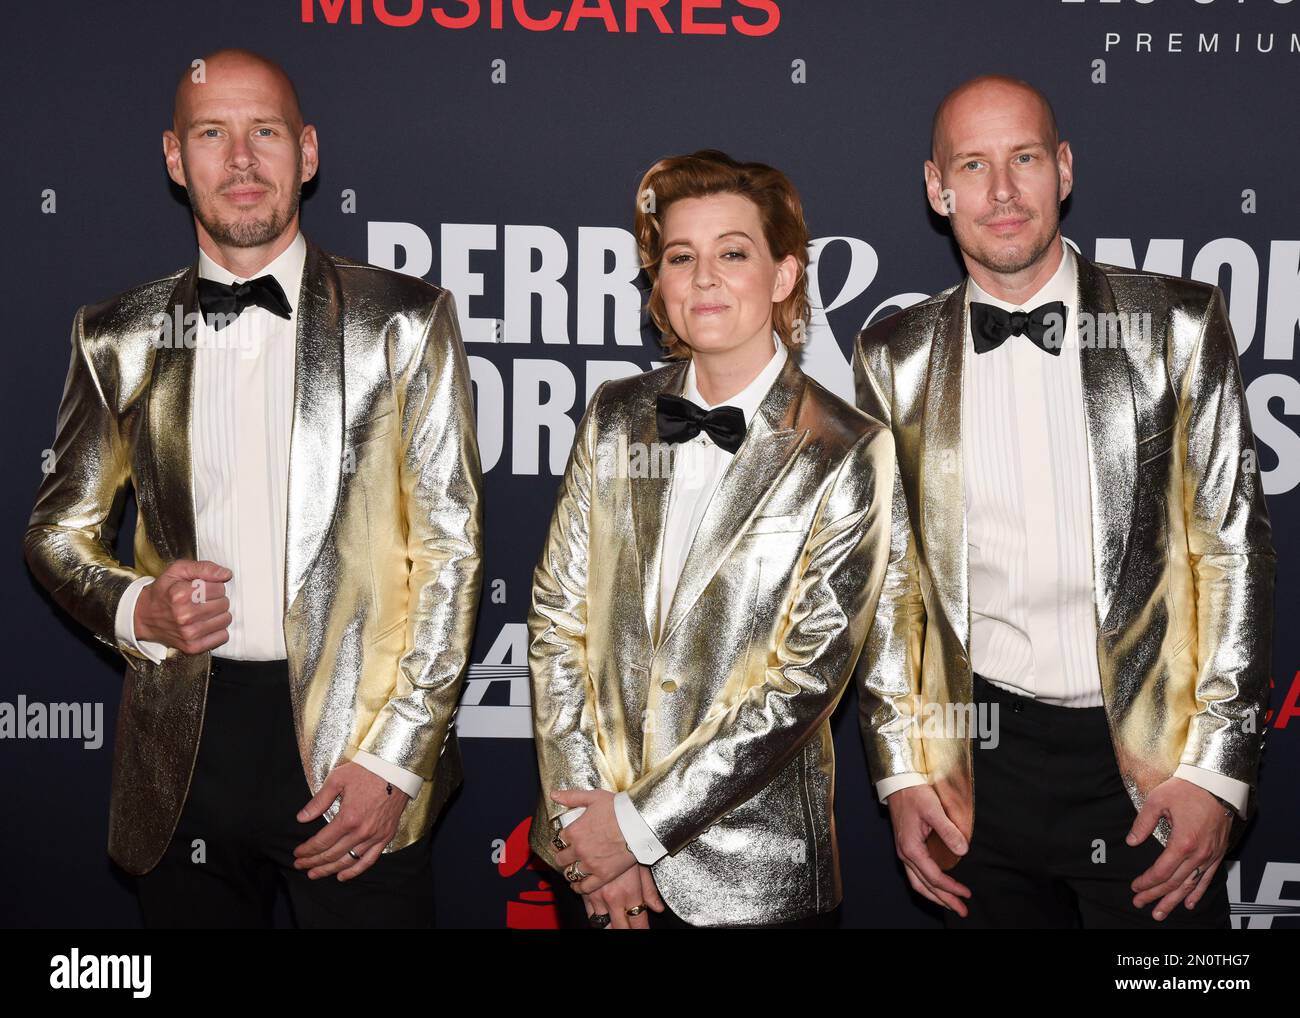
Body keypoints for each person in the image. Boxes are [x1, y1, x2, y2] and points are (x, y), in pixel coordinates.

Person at [24, 49, 483, 928]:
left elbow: (452, 554)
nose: (240, 160)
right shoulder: (114, 334)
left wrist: (394, 760)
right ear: (174, 157)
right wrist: (136, 610)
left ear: (306, 154)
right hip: (185, 744)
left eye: (263, 132)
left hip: (356, 744)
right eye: (211, 134)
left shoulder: (403, 319)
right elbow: (55, 532)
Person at [854, 74, 1274, 928]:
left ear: (1065, 170)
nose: (1002, 192)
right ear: (937, 189)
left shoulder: (1177, 325)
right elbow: (888, 584)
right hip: (975, 764)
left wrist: (1217, 771)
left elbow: (1229, 550)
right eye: (972, 165)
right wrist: (902, 770)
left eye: (1025, 159)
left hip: (1154, 760)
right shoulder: (890, 356)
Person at [527, 150, 895, 928]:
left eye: (733, 253)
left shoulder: (847, 446)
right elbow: (558, 619)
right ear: (657, 280)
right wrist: (586, 830)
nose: (703, 278)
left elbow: (804, 681)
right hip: (594, 859)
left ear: (785, 276)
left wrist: (636, 830)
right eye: (680, 257)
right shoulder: (614, 413)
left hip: (754, 880)